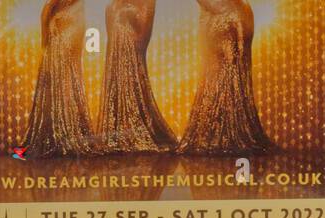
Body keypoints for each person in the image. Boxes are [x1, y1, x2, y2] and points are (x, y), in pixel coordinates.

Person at [179, 0, 274, 154]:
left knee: (229, 75)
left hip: (231, 22)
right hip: (221, 22)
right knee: (218, 77)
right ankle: (218, 130)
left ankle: (226, 130)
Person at [99, 0, 177, 152]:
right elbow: (111, 30)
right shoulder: (113, 4)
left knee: (135, 90)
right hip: (115, 51)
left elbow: (143, 34)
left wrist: (135, 52)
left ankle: (138, 131)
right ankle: (116, 132)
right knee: (116, 87)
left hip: (131, 52)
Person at [22, 0, 97, 157]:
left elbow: (76, 21)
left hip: (69, 36)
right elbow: (49, 10)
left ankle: (67, 133)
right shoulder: (53, 8)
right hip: (59, 39)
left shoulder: (77, 7)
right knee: (58, 83)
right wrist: (49, 28)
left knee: (67, 82)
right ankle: (57, 134)